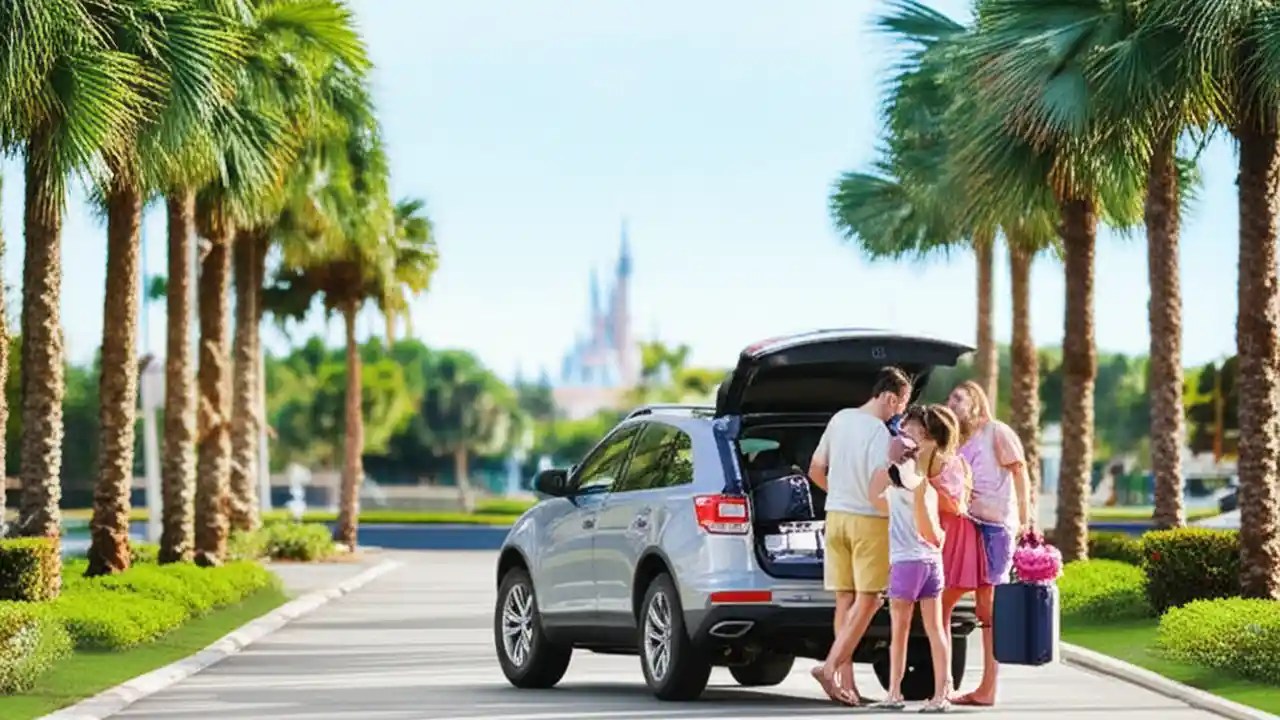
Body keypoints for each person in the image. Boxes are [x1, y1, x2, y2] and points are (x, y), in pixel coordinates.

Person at [807, 367, 913, 706]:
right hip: (867, 522)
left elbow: (814, 470)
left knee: (845, 600)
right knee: (869, 601)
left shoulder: (839, 419)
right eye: (901, 405)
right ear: (890, 397)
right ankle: (829, 669)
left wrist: (837, 492)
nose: (899, 413)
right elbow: (877, 491)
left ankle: (846, 686)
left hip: (835, 518)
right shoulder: (883, 437)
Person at [946, 381, 1032, 707]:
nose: (951, 402)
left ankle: (987, 688)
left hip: (996, 528)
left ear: (975, 400)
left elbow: (1020, 474)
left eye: (958, 397)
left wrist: (1026, 518)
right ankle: (953, 684)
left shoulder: (996, 432)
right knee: (956, 600)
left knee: (988, 606)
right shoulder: (958, 441)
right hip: (968, 526)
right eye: (949, 397)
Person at [867, 441, 951, 712]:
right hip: (932, 564)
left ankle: (894, 693)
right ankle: (940, 695)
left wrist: (881, 473)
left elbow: (872, 499)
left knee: (899, 632)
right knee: (936, 630)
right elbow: (934, 533)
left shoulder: (893, 493)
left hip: (905, 563)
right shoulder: (929, 490)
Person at [900, 404, 987, 637]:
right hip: (944, 532)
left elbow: (955, 504)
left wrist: (925, 489)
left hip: (951, 535)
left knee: (941, 611)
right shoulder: (948, 460)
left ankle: (941, 668)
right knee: (939, 612)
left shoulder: (945, 461)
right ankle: (939, 667)